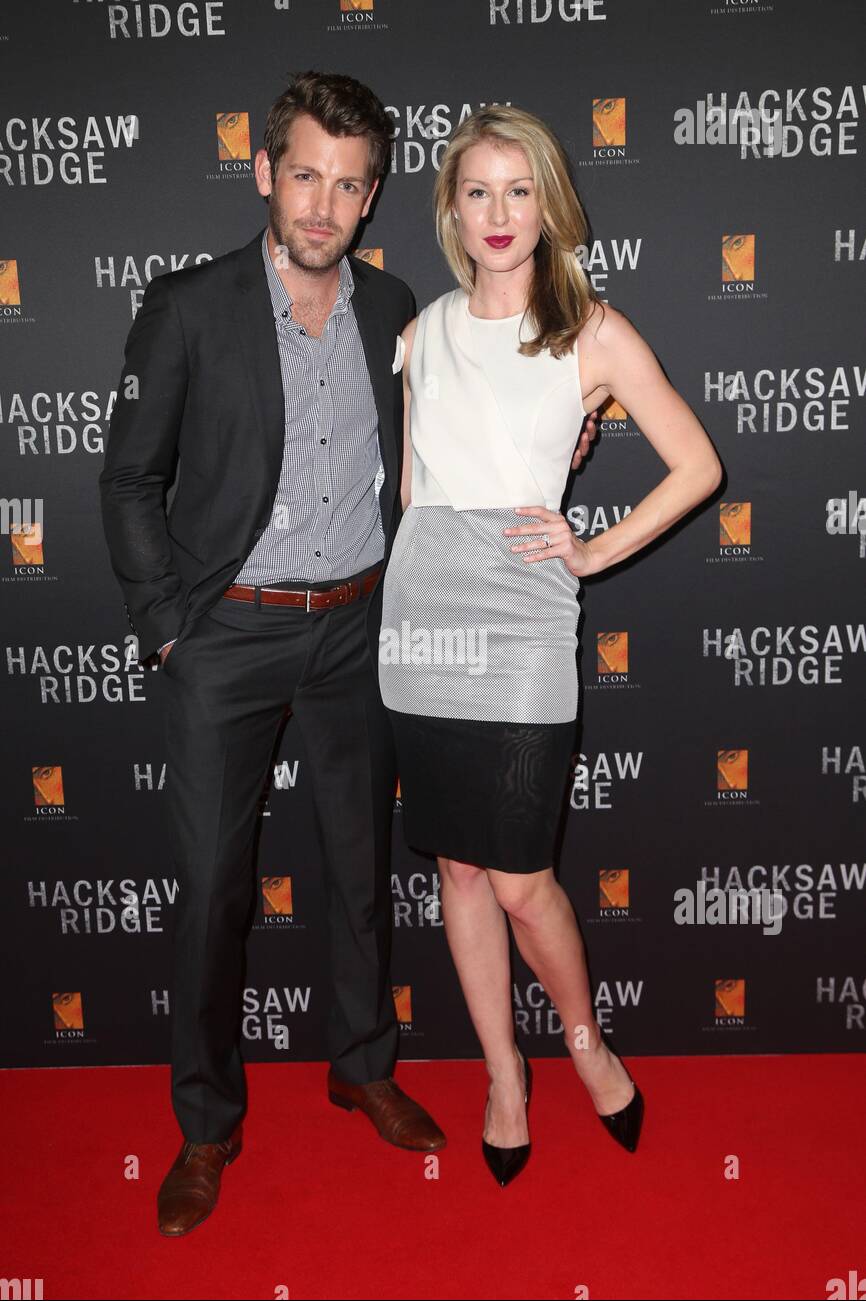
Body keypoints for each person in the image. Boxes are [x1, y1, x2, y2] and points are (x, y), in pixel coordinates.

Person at [101, 73, 597, 1238]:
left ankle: (361, 1063)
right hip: (225, 629)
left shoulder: (394, 313)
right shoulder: (185, 308)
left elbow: (476, 420)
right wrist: (168, 626)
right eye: (307, 174)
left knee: (358, 864)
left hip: (364, 625)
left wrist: (566, 420)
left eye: (350, 184)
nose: (325, 205)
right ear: (266, 172)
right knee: (212, 892)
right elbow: (127, 479)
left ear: (372, 199)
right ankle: (207, 1124)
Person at [378, 106, 723, 1186]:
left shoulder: (594, 331)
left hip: (524, 618)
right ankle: (500, 1073)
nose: (496, 213)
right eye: (475, 191)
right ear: (450, 208)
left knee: (523, 878)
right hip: (420, 618)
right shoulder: (420, 330)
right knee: (460, 871)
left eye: (516, 190)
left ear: (548, 205)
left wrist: (590, 550)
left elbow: (696, 465)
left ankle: (583, 1041)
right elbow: (411, 489)